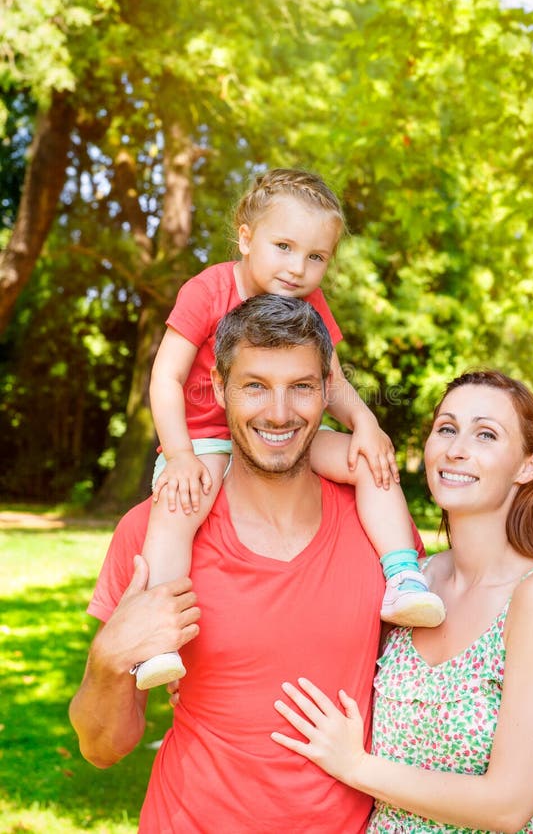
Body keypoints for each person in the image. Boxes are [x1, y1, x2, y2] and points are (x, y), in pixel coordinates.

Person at [69, 295, 427, 833]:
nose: (279, 413)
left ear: (327, 390)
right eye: (255, 385)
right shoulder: (156, 530)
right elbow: (102, 748)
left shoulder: (380, 530)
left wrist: (529, 814)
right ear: (219, 388)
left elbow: (442, 702)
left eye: (301, 386)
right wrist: (108, 659)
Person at [135, 168, 443, 690]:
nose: (298, 268)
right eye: (284, 247)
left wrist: (365, 423)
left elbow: (332, 381)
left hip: (285, 434)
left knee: (366, 460)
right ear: (246, 237)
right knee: (176, 507)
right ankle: (157, 636)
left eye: (316, 257)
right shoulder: (207, 290)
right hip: (206, 438)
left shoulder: (310, 304)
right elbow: (165, 377)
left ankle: (403, 576)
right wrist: (180, 455)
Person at [271, 369, 533, 833]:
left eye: (486, 434)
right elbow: (294, 443)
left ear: (528, 466)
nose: (456, 449)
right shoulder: (410, 583)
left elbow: (508, 806)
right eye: (446, 428)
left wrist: (357, 766)